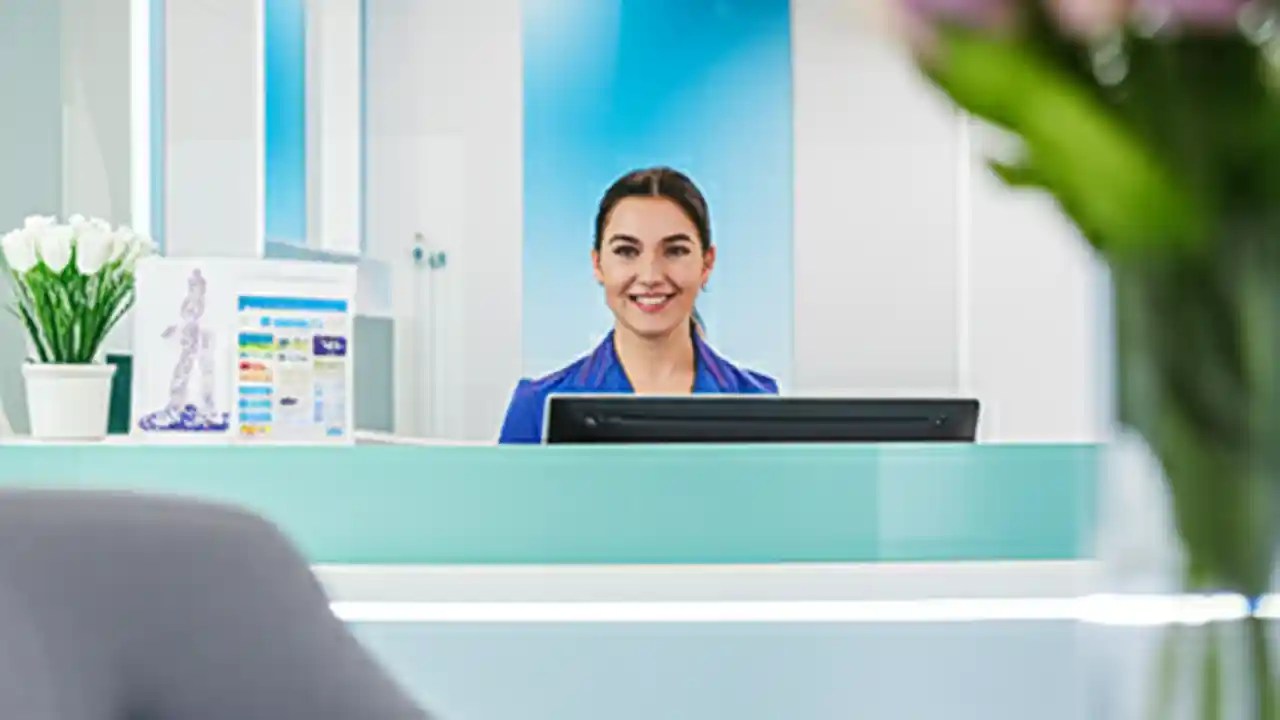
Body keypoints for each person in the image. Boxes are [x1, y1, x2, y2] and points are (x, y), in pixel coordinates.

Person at [499, 166, 778, 444]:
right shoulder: (536, 410)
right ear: (598, 264)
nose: (650, 276)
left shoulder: (760, 403)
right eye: (626, 251)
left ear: (707, 263)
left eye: (675, 251)